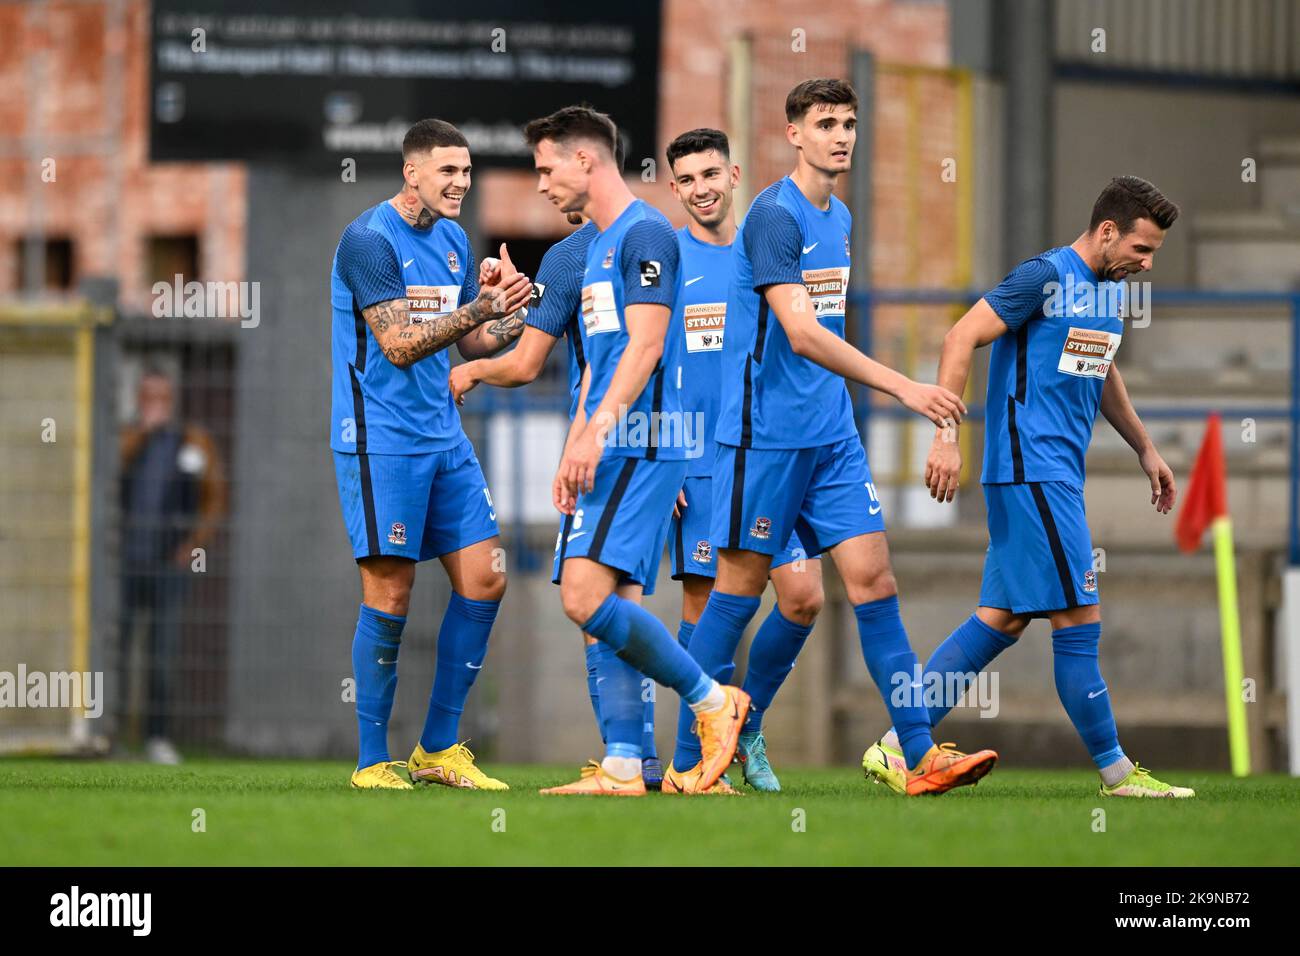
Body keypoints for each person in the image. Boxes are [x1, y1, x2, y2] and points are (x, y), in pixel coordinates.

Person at [688, 77, 997, 796]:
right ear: (793, 133)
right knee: (737, 595)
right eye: (825, 123)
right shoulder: (774, 216)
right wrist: (904, 386)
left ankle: (915, 757)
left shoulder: (842, 214)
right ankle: (685, 755)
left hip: (830, 436)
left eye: (850, 123)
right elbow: (800, 333)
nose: (841, 135)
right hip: (762, 439)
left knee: (872, 582)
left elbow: (816, 331)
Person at [863, 175, 1195, 799]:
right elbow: (961, 335)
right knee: (1079, 615)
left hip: (1053, 474)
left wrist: (1146, 447)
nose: (1146, 264)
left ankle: (895, 744)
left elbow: (1102, 370)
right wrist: (945, 438)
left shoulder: (1106, 292)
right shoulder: (1043, 277)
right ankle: (1118, 775)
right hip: (1030, 469)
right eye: (1141, 249)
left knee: (1004, 618)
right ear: (1106, 231)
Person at [524, 104, 748, 796]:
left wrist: (595, 434)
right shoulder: (592, 247)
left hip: (640, 439)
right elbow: (598, 359)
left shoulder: (646, 234)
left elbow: (647, 346)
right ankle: (627, 762)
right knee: (608, 604)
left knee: (585, 598)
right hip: (606, 439)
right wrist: (572, 444)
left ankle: (715, 701)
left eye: (545, 167)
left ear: (584, 159)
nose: (539, 184)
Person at [329, 117, 533, 790]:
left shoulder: (452, 239)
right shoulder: (367, 241)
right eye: (448, 171)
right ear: (411, 171)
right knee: (391, 590)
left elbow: (467, 346)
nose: (460, 183)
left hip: (443, 437)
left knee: (486, 577)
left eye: (467, 172)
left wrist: (513, 312)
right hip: (381, 440)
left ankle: (438, 749)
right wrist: (477, 309)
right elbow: (398, 345)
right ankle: (369, 762)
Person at [658, 128, 825, 795]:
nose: (700, 189)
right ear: (675, 189)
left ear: (733, 174)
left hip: (770, 449)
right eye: (686, 180)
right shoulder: (665, 258)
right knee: (707, 606)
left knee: (804, 597)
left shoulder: (769, 242)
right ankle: (691, 762)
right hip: (700, 461)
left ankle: (742, 722)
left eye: (709, 175)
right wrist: (660, 451)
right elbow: (638, 356)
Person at [118, 368, 225, 765]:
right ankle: (109, 734)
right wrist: (143, 432)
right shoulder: (127, 437)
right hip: (126, 564)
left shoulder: (192, 441)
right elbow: (108, 471)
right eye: (148, 398)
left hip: (168, 565)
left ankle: (157, 737)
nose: (155, 406)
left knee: (163, 653)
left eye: (162, 398)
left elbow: (214, 497)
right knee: (117, 650)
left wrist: (192, 545)